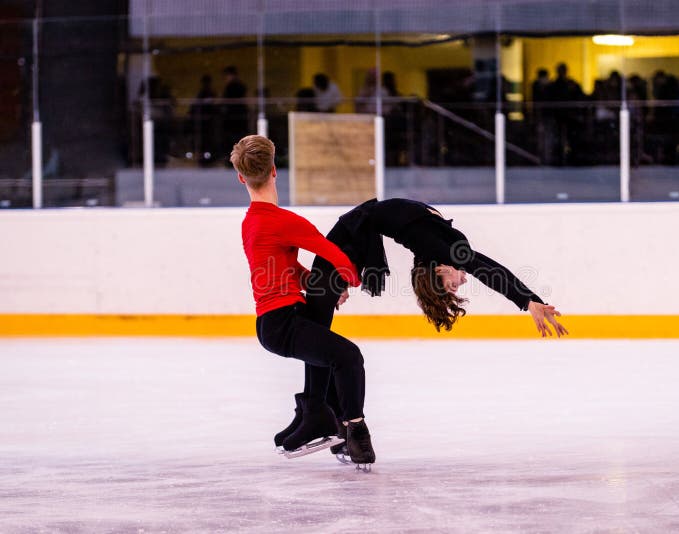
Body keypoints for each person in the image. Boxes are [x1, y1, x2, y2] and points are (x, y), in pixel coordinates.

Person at [281, 198, 568, 460]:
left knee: (319, 324)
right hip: (354, 232)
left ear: (438, 270)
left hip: (353, 234)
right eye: (454, 286)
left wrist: (341, 278)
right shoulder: (439, 252)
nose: (462, 282)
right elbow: (485, 268)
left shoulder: (436, 253)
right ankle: (317, 412)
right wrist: (529, 301)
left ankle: (320, 413)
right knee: (319, 324)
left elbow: (481, 267)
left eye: (452, 285)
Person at [230, 134, 377, 467]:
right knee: (349, 358)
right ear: (274, 171)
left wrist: (315, 281)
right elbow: (335, 254)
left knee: (328, 353)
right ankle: (355, 430)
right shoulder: (285, 221)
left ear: (241, 178)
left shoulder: (251, 223)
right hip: (286, 322)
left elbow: (286, 268)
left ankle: (315, 414)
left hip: (272, 323)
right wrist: (351, 280)